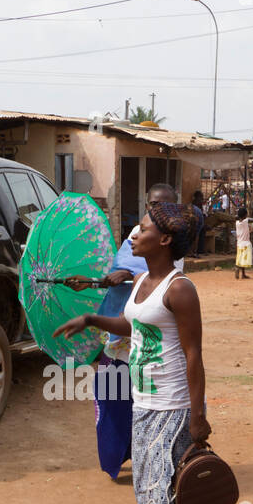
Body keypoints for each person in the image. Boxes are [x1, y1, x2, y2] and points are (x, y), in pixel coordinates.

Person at [55, 201, 227, 504]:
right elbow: (136, 327)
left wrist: (197, 414)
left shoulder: (179, 288)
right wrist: (93, 318)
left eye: (143, 227)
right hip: (144, 405)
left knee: (163, 497)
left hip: (173, 408)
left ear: (164, 240)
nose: (134, 233)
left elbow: (193, 354)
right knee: (154, 497)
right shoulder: (142, 283)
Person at [67, 184, 180, 480]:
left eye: (164, 206)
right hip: (121, 330)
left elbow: (158, 276)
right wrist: (92, 282)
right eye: (153, 204)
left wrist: (128, 275)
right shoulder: (137, 234)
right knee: (110, 399)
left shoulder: (174, 247)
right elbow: (115, 275)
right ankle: (121, 457)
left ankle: (154, 461)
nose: (157, 211)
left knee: (141, 404)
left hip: (146, 342)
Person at [234, 207, 253, 280]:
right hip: (246, 243)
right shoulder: (245, 221)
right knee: (243, 260)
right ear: (245, 215)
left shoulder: (237, 223)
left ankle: (243, 274)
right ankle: (237, 268)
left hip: (239, 243)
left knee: (240, 258)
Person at [191, 190, 207, 257]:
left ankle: (200, 250)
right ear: (197, 198)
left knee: (203, 230)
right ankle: (196, 251)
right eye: (201, 197)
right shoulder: (194, 205)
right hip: (195, 224)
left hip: (201, 223)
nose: (202, 199)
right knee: (200, 232)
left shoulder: (200, 205)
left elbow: (203, 215)